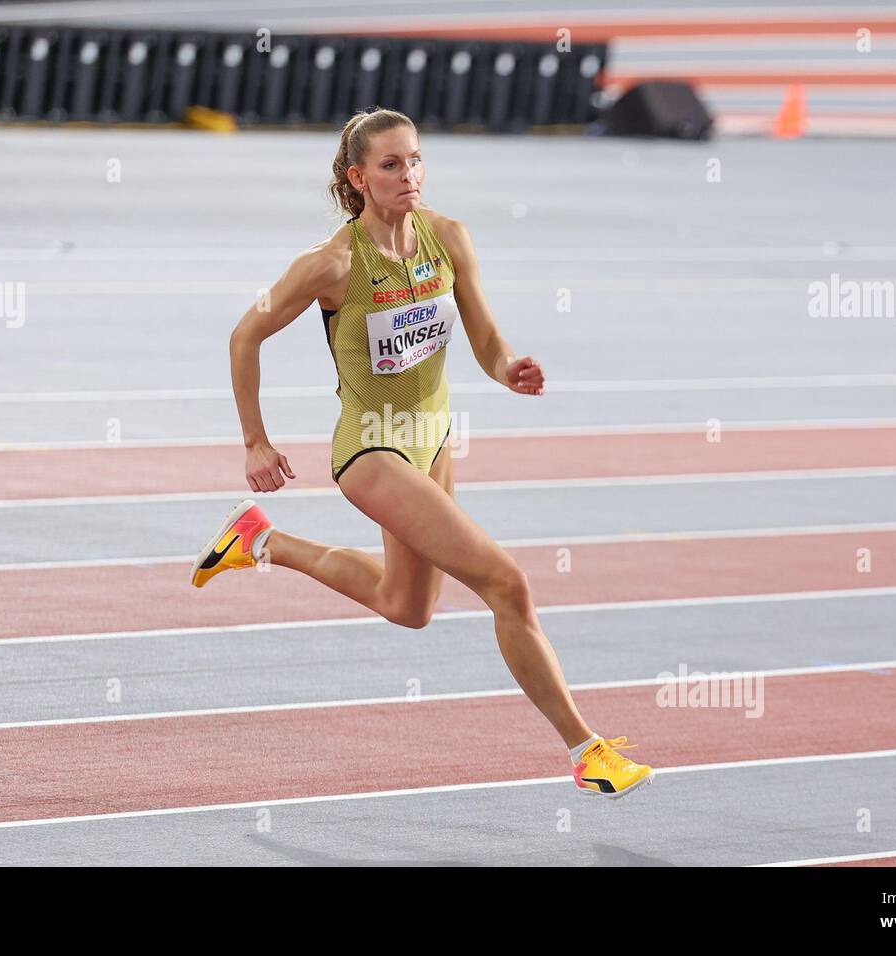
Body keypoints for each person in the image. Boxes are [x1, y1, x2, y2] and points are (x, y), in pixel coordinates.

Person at [191, 107, 652, 799]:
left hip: (433, 440)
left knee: (407, 607)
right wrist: (255, 439)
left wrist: (508, 370)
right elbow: (243, 337)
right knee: (506, 584)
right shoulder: (331, 265)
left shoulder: (449, 237)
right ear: (358, 178)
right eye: (390, 165)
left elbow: (488, 340)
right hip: (372, 449)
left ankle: (261, 539)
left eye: (415, 160)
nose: (409, 175)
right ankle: (588, 751)